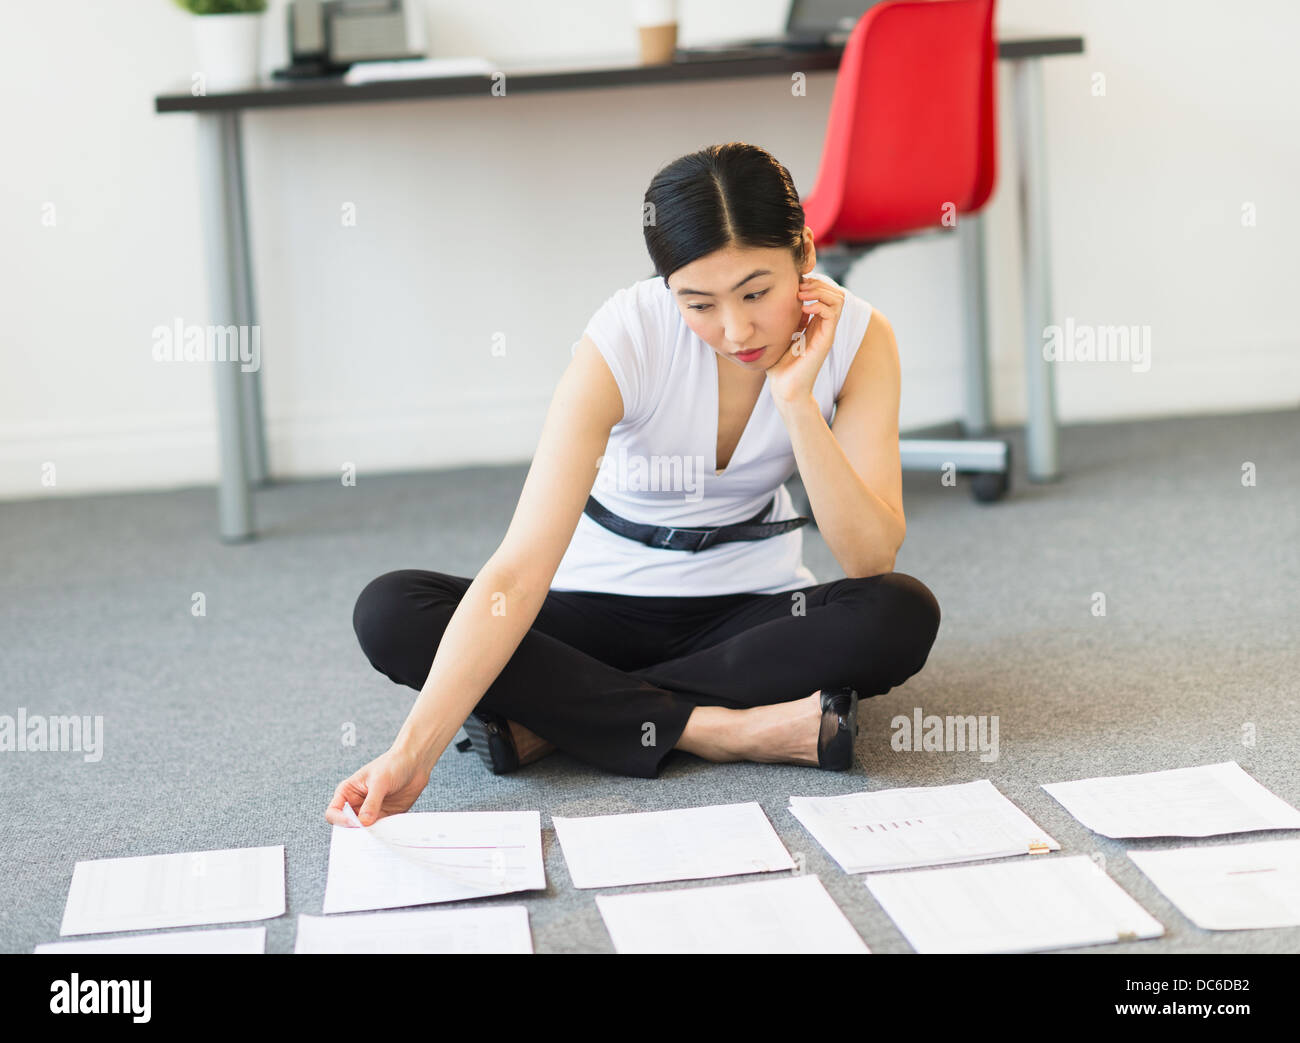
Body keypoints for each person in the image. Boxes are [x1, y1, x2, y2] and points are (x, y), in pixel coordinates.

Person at [326, 142, 940, 827]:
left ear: (805, 254)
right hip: (596, 611)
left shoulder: (858, 336)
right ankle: (725, 729)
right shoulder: (626, 336)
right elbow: (517, 575)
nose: (736, 329)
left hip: (747, 613)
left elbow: (868, 559)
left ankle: (558, 720)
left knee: (899, 613)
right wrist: (412, 753)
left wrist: (797, 401)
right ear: (666, 287)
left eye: (757, 292)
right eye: (699, 302)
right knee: (390, 610)